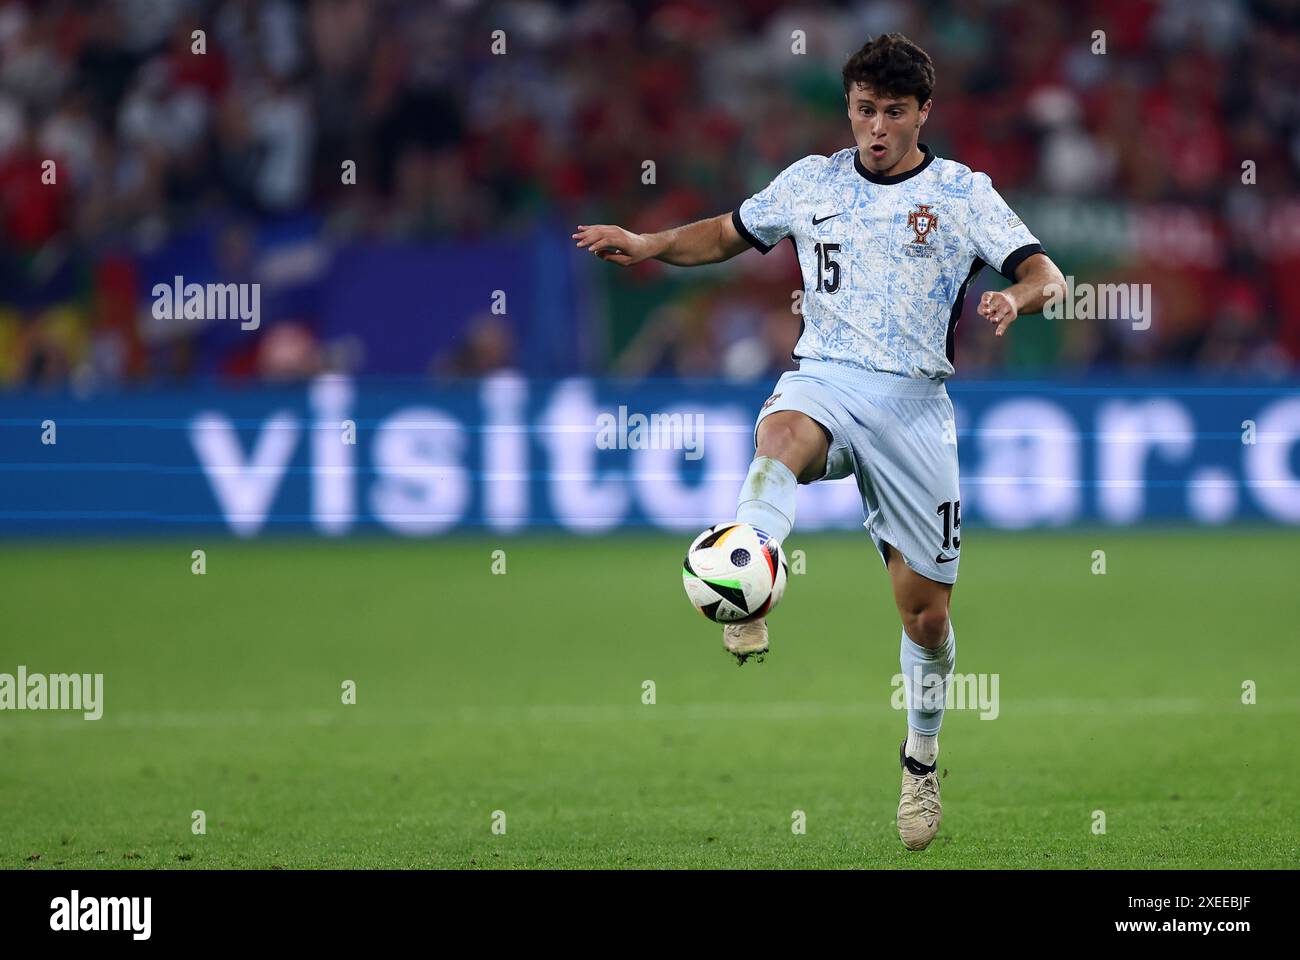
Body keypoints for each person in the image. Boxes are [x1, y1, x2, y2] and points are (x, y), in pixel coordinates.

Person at [573, 33, 1065, 852]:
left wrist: (1020, 298)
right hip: (826, 373)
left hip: (913, 406)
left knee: (927, 619)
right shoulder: (813, 181)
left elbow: (1047, 274)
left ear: (923, 114)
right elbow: (730, 232)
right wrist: (655, 245)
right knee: (781, 433)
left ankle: (921, 758)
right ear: (849, 107)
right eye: (865, 110)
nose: (876, 128)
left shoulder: (962, 194)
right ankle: (749, 568)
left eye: (894, 113)